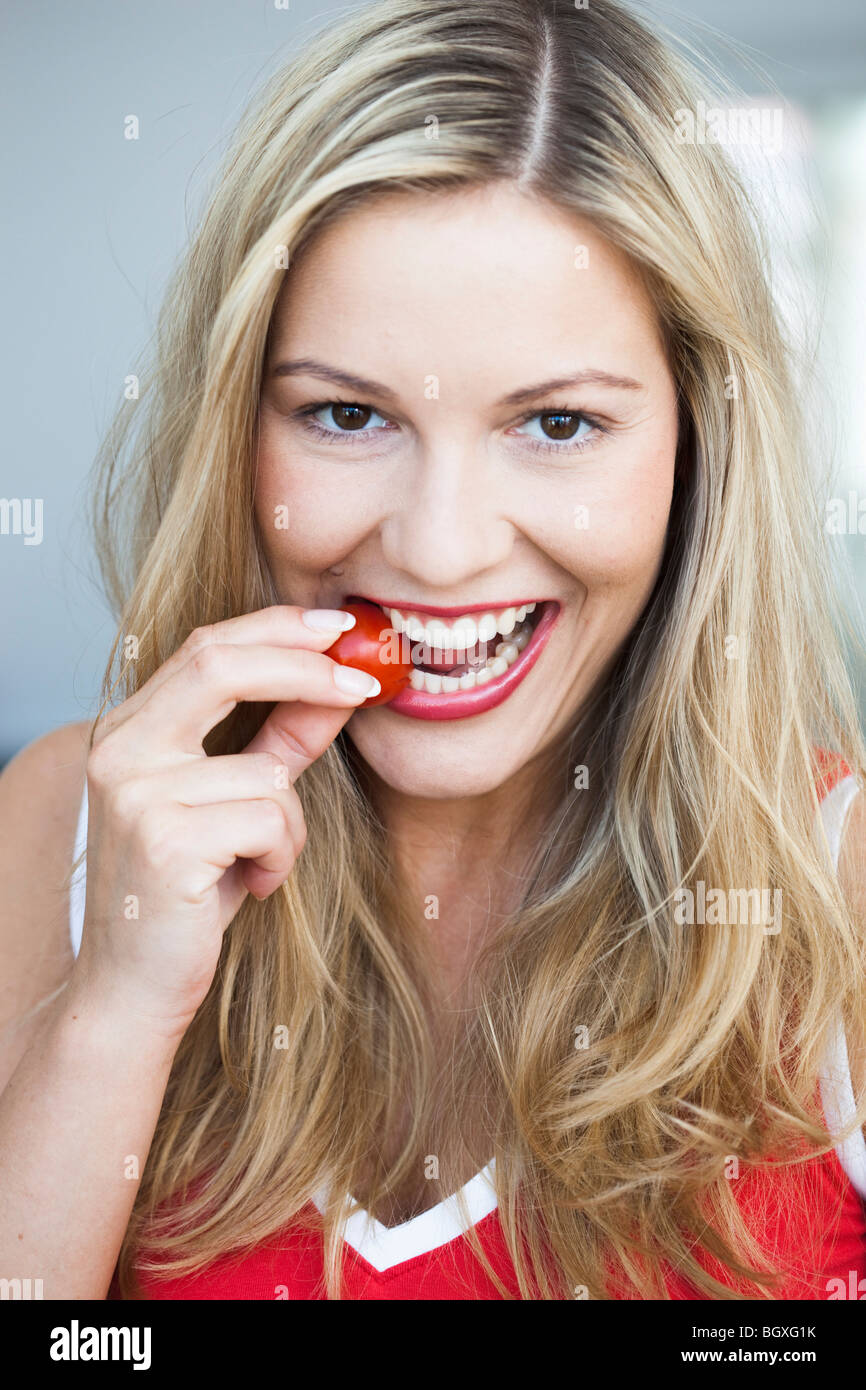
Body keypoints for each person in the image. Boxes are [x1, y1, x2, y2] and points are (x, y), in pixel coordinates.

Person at [1, 0, 865, 1301]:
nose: (442, 549)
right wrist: (117, 1011)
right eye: (345, 413)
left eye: (558, 423)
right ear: (239, 426)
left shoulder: (838, 885)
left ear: (693, 450)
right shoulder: (68, 821)